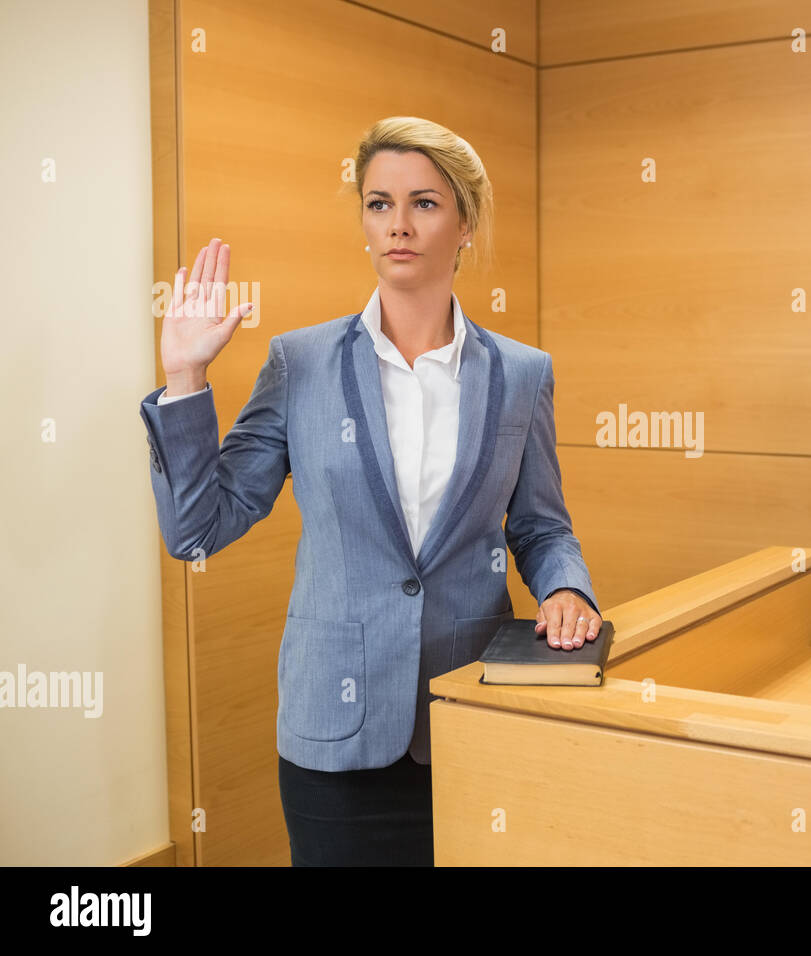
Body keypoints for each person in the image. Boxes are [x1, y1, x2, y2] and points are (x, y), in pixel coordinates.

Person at [139, 116, 602, 864]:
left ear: (465, 225)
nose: (398, 224)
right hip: (334, 737)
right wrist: (186, 378)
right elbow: (198, 529)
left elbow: (541, 526)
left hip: (470, 719)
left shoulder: (521, 374)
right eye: (379, 203)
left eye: (425, 203)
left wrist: (567, 589)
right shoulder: (300, 363)